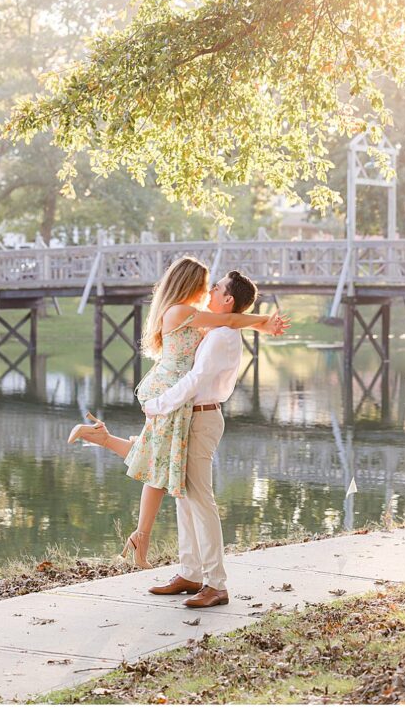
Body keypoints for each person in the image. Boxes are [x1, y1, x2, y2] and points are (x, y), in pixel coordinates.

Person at [69, 258, 286, 570]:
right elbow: (230, 321)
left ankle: (104, 444)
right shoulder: (182, 312)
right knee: (159, 464)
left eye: (213, 285)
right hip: (169, 393)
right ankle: (141, 536)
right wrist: (263, 320)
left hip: (173, 394)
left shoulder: (189, 313)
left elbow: (228, 321)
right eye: (205, 283)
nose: (208, 288)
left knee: (159, 461)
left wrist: (260, 324)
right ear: (190, 284)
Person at [140, 270, 261, 607]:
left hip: (203, 416)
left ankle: (216, 583)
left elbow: (196, 378)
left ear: (228, 300)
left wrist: (158, 406)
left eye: (217, 287)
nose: (210, 290)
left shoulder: (222, 336)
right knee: (184, 497)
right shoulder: (217, 328)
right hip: (193, 416)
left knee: (200, 500)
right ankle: (190, 572)